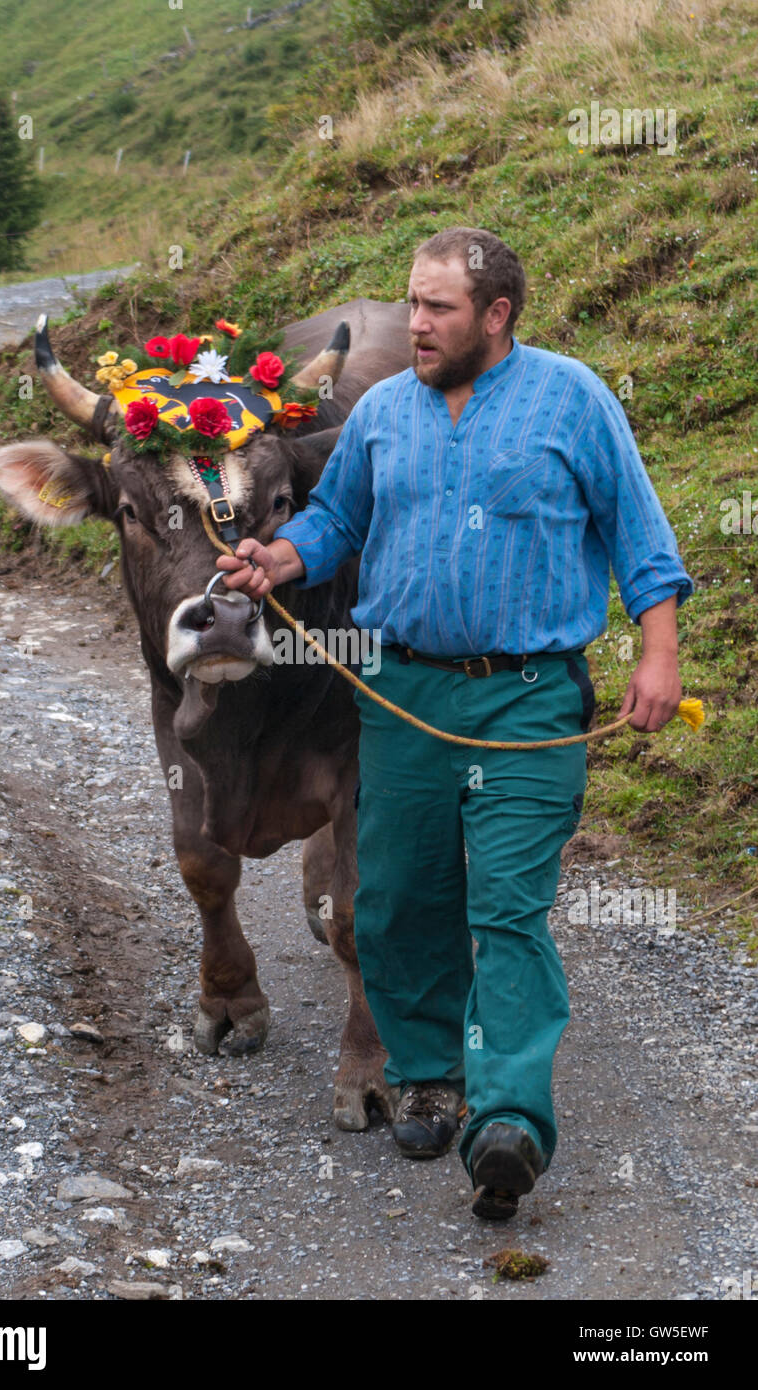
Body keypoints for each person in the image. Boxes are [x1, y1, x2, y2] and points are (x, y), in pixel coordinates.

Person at [215, 227, 694, 1221]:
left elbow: (638, 536)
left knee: (506, 905)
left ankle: (508, 1118)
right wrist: (276, 560)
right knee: (394, 896)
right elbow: (335, 522)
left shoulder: (572, 399)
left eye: (435, 308)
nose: (414, 324)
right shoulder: (385, 412)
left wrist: (658, 652)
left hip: (528, 694)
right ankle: (428, 1074)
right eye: (411, 302)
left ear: (496, 315)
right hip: (404, 692)